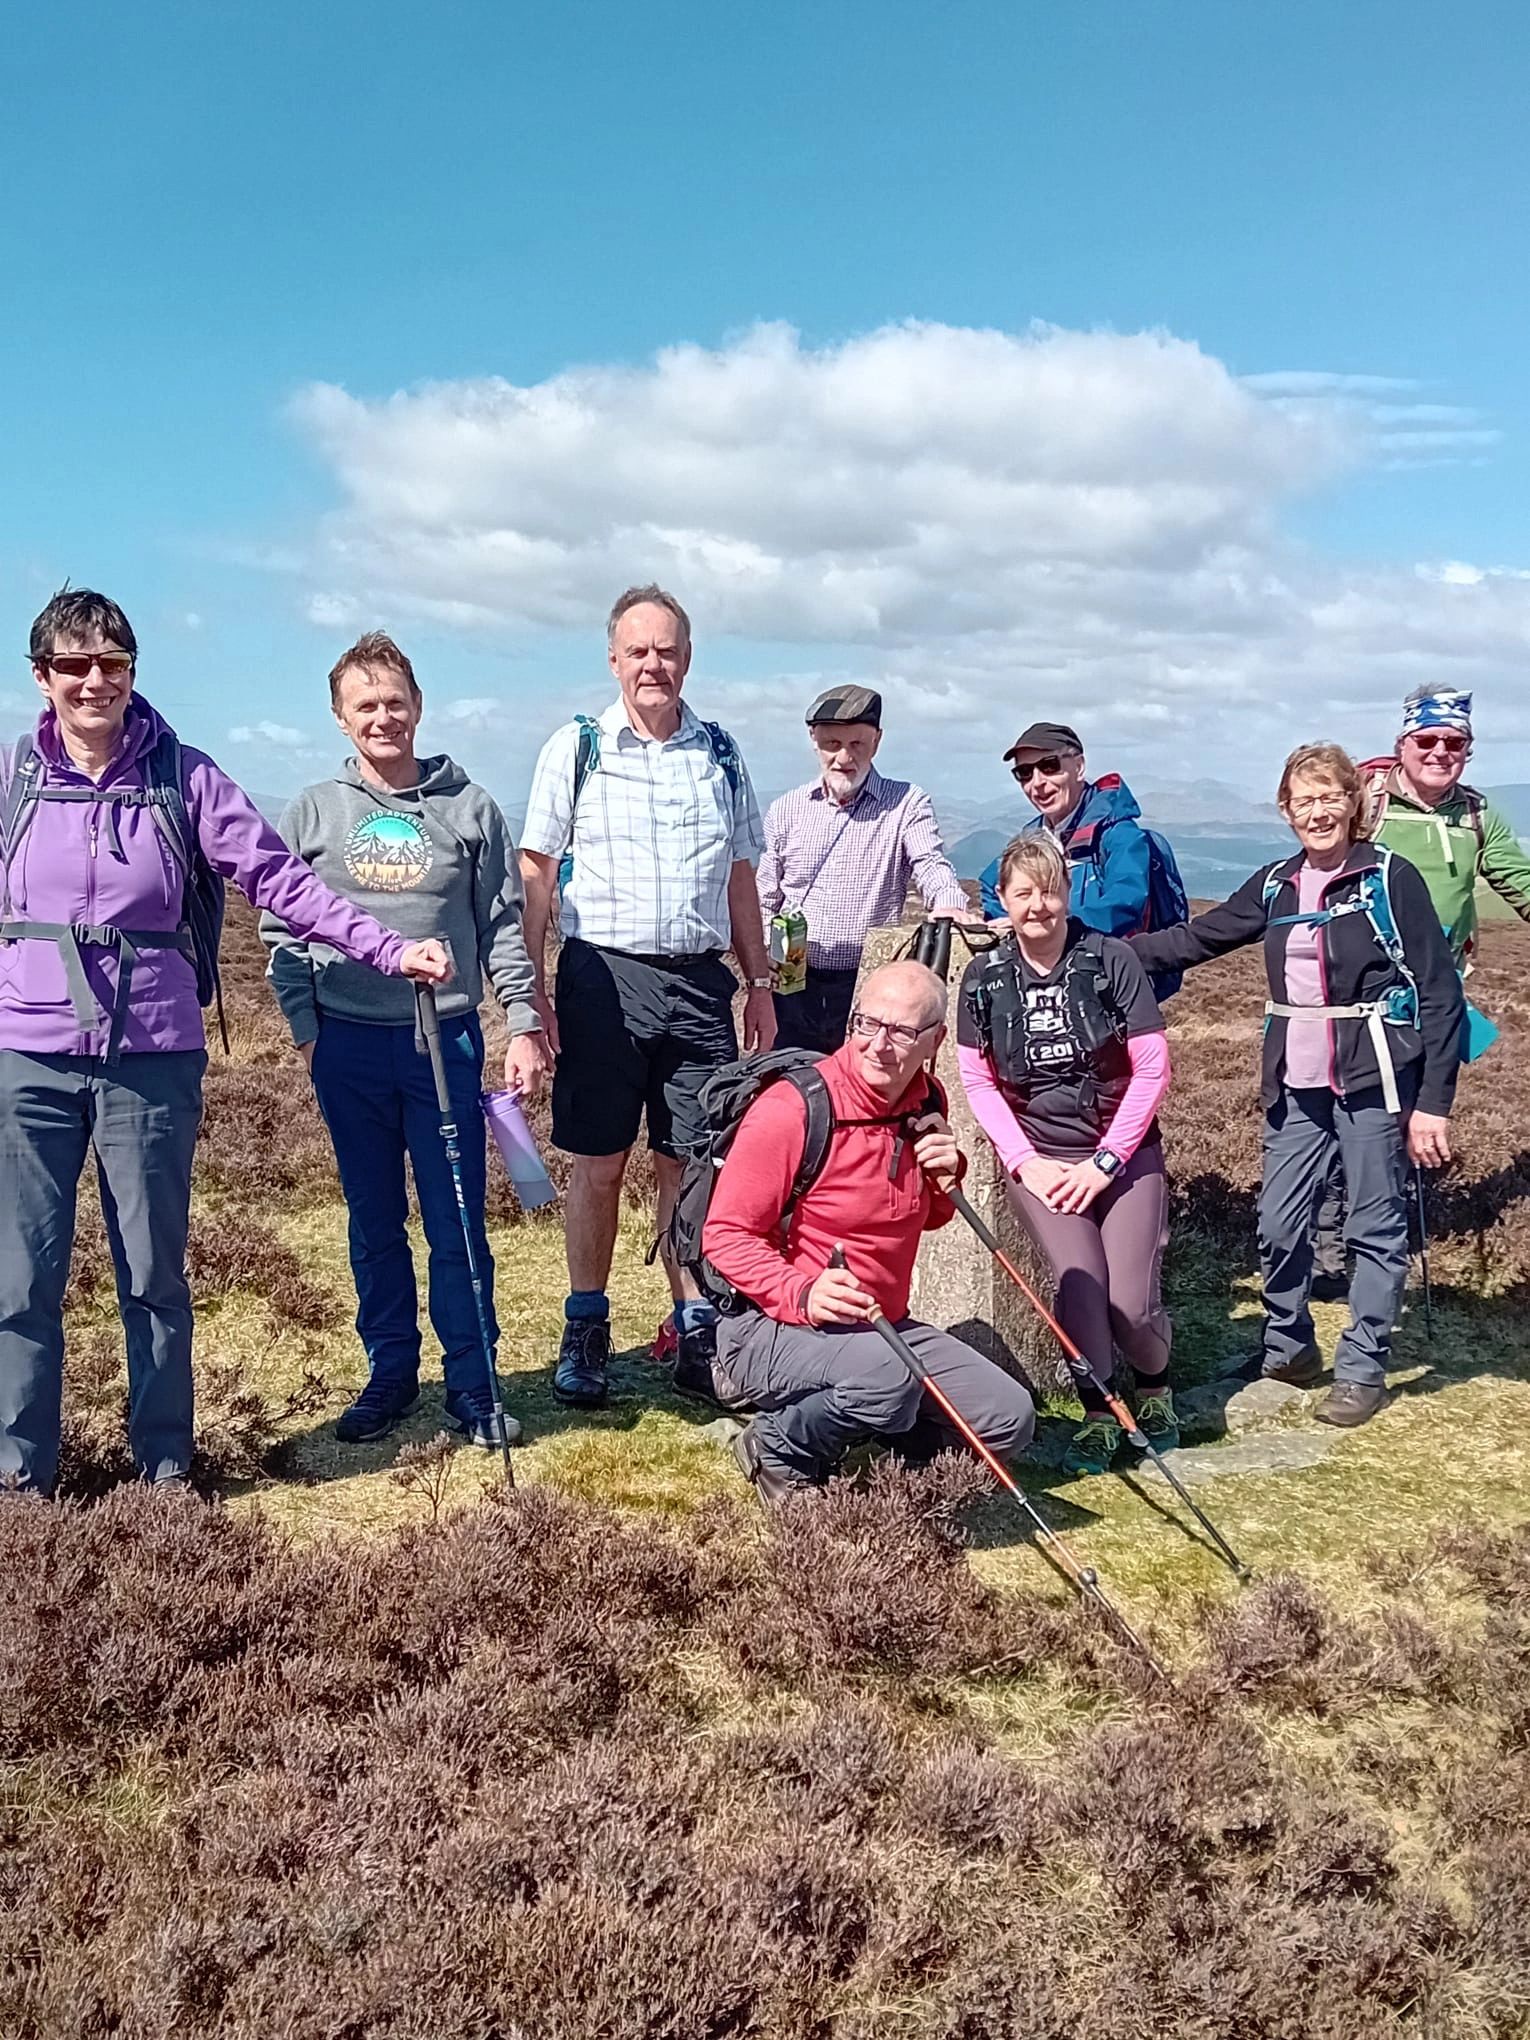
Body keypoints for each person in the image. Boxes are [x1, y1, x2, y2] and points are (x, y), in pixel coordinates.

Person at [0, 588, 449, 1497]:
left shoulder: (185, 777)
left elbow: (283, 885)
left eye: (112, 664)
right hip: (28, 1055)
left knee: (154, 1272)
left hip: (152, 1056)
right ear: (41, 676)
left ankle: (164, 1470)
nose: (95, 681)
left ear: (132, 672)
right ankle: (19, 1482)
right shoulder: (13, 779)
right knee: (20, 1278)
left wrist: (388, 946)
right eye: (74, 665)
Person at [260, 632, 551, 1450]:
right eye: (366, 705)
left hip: (444, 1042)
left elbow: (501, 927)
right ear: (339, 718)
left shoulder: (470, 808)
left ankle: (474, 1382)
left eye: (396, 702)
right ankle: (390, 1373)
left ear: (418, 707)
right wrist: (306, 1030)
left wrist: (521, 1021)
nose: (383, 717)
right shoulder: (314, 811)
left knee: (457, 1218)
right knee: (373, 1217)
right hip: (348, 1046)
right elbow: (280, 929)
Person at [1133, 743, 1463, 1429]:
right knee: (1281, 1222)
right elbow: (1196, 941)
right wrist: (1086, 947)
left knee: (1375, 1226)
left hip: (1375, 1077)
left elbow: (1439, 991)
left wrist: (1434, 1103)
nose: (1318, 812)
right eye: (1303, 800)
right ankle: (1288, 1348)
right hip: (1295, 1080)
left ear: (1353, 803)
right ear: (1286, 810)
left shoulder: (1388, 878)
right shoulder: (1277, 882)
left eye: (1329, 797)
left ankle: (1363, 1365)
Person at [519, 584, 775, 1409]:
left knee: (691, 1163)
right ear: (614, 660)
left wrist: (759, 982)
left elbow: (741, 878)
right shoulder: (577, 746)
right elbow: (536, 873)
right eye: (638, 651)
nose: (653, 664)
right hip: (601, 980)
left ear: (687, 658)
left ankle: (694, 1323)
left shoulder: (723, 754)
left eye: (666, 650)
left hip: (701, 985)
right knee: (597, 1164)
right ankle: (586, 1326)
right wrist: (533, 997)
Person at [701, 960, 1035, 1500]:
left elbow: (925, 1218)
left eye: (902, 1032)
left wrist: (944, 1177)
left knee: (1007, 1418)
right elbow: (724, 1235)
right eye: (867, 1024)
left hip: (883, 1327)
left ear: (935, 1041)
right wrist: (803, 1292)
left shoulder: (925, 1102)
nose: (879, 1045)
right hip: (770, 1327)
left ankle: (871, 1435)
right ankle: (776, 1447)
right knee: (887, 1378)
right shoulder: (793, 1109)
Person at [957, 831, 1176, 1475]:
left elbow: (1152, 1066)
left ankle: (1158, 1384)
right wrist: (1026, 1162)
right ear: (1002, 900)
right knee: (1082, 1287)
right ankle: (1101, 1410)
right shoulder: (986, 977)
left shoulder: (1111, 960)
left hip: (1124, 1156)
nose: (1038, 906)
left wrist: (1106, 1161)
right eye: (1022, 893)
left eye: (1049, 891)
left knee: (1130, 1305)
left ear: (1067, 893)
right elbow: (978, 1079)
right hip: (1042, 1161)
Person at [1310, 687, 1530, 1292]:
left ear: (1468, 749)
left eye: (1453, 742)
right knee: (1342, 1117)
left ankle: (1376, 1246)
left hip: (1433, 996)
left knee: (1410, 1120)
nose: (1440, 752)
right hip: (1357, 993)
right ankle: (1328, 1257)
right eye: (1426, 740)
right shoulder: (1370, 804)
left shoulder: (1478, 814)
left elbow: (1518, 878)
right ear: (1402, 743)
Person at [756, 685, 977, 1054]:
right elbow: (766, 895)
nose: (844, 757)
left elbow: (930, 862)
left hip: (867, 982)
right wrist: (763, 960)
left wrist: (950, 904)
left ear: (877, 742)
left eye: (857, 744)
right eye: (832, 743)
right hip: (790, 978)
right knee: (792, 1085)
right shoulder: (785, 809)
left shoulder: (907, 803)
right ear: (814, 740)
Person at [978, 722, 1153, 933]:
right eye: (1024, 772)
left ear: (1078, 767)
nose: (1037, 782)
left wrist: (1053, 926)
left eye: (1049, 766)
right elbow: (992, 884)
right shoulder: (1034, 837)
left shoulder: (1120, 836)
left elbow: (1124, 903)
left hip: (1109, 962)